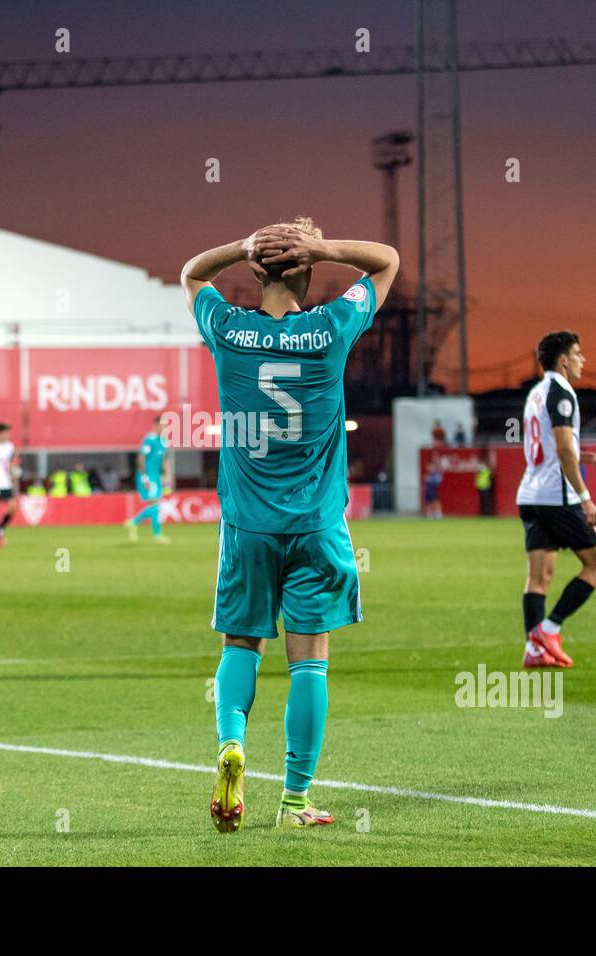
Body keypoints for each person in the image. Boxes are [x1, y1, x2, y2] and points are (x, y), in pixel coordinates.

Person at [181, 216, 398, 832]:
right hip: (317, 524)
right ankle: (295, 801)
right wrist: (326, 247)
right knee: (310, 661)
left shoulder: (228, 328)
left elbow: (192, 272)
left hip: (248, 524)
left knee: (241, 644)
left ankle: (230, 743)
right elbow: (386, 261)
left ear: (254, 271)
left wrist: (241, 245)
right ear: (311, 272)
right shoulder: (331, 327)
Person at [516, 330, 596, 671]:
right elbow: (560, 449)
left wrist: (592, 458)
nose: (582, 360)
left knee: (539, 577)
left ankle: (534, 650)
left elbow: (552, 448)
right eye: (578, 353)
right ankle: (549, 629)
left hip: (530, 495)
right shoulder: (562, 393)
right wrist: (585, 498)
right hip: (557, 498)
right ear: (563, 359)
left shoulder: (536, 394)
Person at [126, 415, 172, 544]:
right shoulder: (149, 439)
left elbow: (164, 461)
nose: (165, 427)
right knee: (155, 504)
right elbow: (141, 458)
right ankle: (154, 533)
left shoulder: (163, 442)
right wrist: (145, 477)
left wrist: (166, 477)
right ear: (157, 425)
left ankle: (134, 523)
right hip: (147, 476)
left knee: (156, 505)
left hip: (156, 477)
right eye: (163, 424)